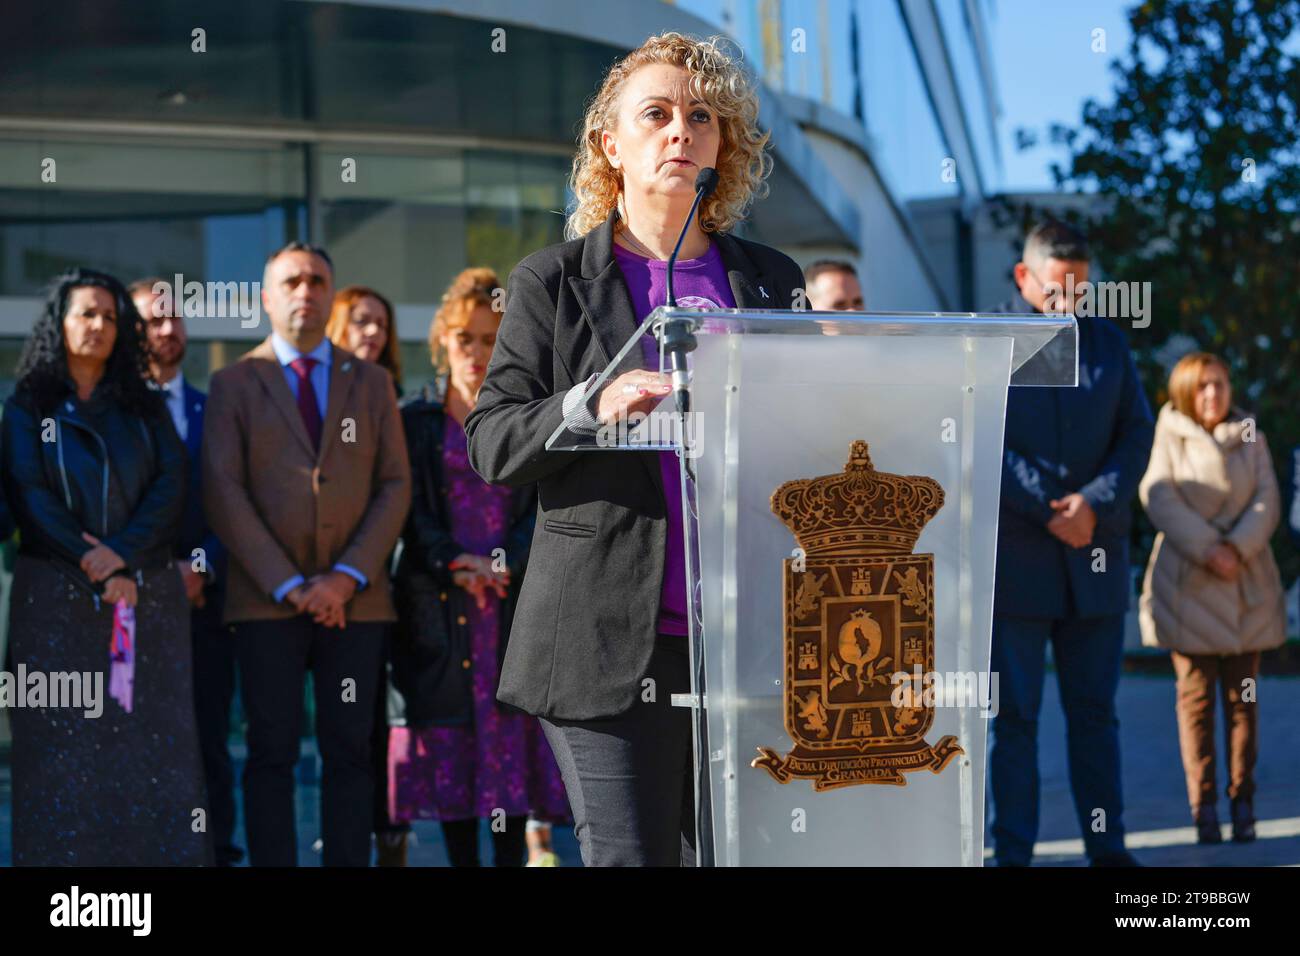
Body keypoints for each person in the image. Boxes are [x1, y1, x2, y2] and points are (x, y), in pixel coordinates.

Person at [465, 32, 805, 866]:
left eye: (701, 116)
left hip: (747, 636)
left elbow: (810, 432)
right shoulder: (552, 280)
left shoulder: (771, 279)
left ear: (724, 146)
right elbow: (491, 437)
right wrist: (590, 404)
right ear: (611, 145)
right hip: (601, 645)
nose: (680, 130)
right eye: (656, 114)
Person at [202, 242, 411, 867]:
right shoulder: (233, 383)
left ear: (330, 292)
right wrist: (291, 585)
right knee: (271, 755)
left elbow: (395, 484)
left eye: (318, 280)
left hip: (358, 606)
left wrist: (345, 578)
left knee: (350, 751)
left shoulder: (370, 382)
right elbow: (223, 490)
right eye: (291, 281)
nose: (305, 291)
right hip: (267, 607)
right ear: (267, 297)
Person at [1, 268, 208, 865]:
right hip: (55, 606)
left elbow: (171, 484)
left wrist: (124, 553)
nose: (97, 326)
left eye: (109, 317)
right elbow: (27, 491)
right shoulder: (26, 406)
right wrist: (93, 560)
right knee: (61, 756)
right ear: (59, 324)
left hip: (146, 599)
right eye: (85, 314)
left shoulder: (144, 407)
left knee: (147, 754)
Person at [388, 267, 570, 867]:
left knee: (510, 765)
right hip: (440, 613)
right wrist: (452, 563)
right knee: (452, 770)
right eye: (465, 337)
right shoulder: (414, 420)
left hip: (512, 606)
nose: (477, 351)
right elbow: (406, 509)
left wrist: (502, 562)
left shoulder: (525, 416)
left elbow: (545, 503)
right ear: (444, 339)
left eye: (491, 338)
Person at [987, 220, 1154, 867]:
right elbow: (980, 433)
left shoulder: (1110, 345)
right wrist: (1046, 506)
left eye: (1080, 291)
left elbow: (1135, 434)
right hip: (1019, 567)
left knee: (1096, 719)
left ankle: (1109, 854)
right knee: (1016, 724)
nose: (1070, 304)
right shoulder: (991, 342)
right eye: (1057, 291)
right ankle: (1013, 857)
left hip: (1095, 562)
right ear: (1025, 278)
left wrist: (1096, 503)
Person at [1138, 352, 1284, 844]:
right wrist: (1207, 547)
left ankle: (1243, 804)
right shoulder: (1170, 432)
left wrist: (1237, 547)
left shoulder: (1249, 433)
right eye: (1201, 386)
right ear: (1184, 392)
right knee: (1196, 703)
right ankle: (1203, 809)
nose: (1212, 395)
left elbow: (1267, 497)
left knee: (1243, 701)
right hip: (1190, 584)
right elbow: (1158, 496)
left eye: (1219, 384)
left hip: (1245, 583)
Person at [128, 277, 242, 867]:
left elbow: (234, 501)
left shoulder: (216, 408)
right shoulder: (108, 415)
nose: (167, 329)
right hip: (124, 611)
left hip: (204, 610)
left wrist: (199, 571)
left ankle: (215, 852)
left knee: (207, 744)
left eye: (174, 318)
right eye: (152, 320)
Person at [324, 283, 407, 864]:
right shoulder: (313, 394)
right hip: (319, 585)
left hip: (388, 590)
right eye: (359, 321)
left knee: (377, 726)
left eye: (381, 322)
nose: (372, 332)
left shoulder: (396, 398)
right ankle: (346, 835)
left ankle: (389, 835)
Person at [326, 284, 403, 391]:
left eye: (381, 325)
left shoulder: (392, 392)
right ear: (336, 324)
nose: (374, 331)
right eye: (361, 321)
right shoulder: (317, 384)